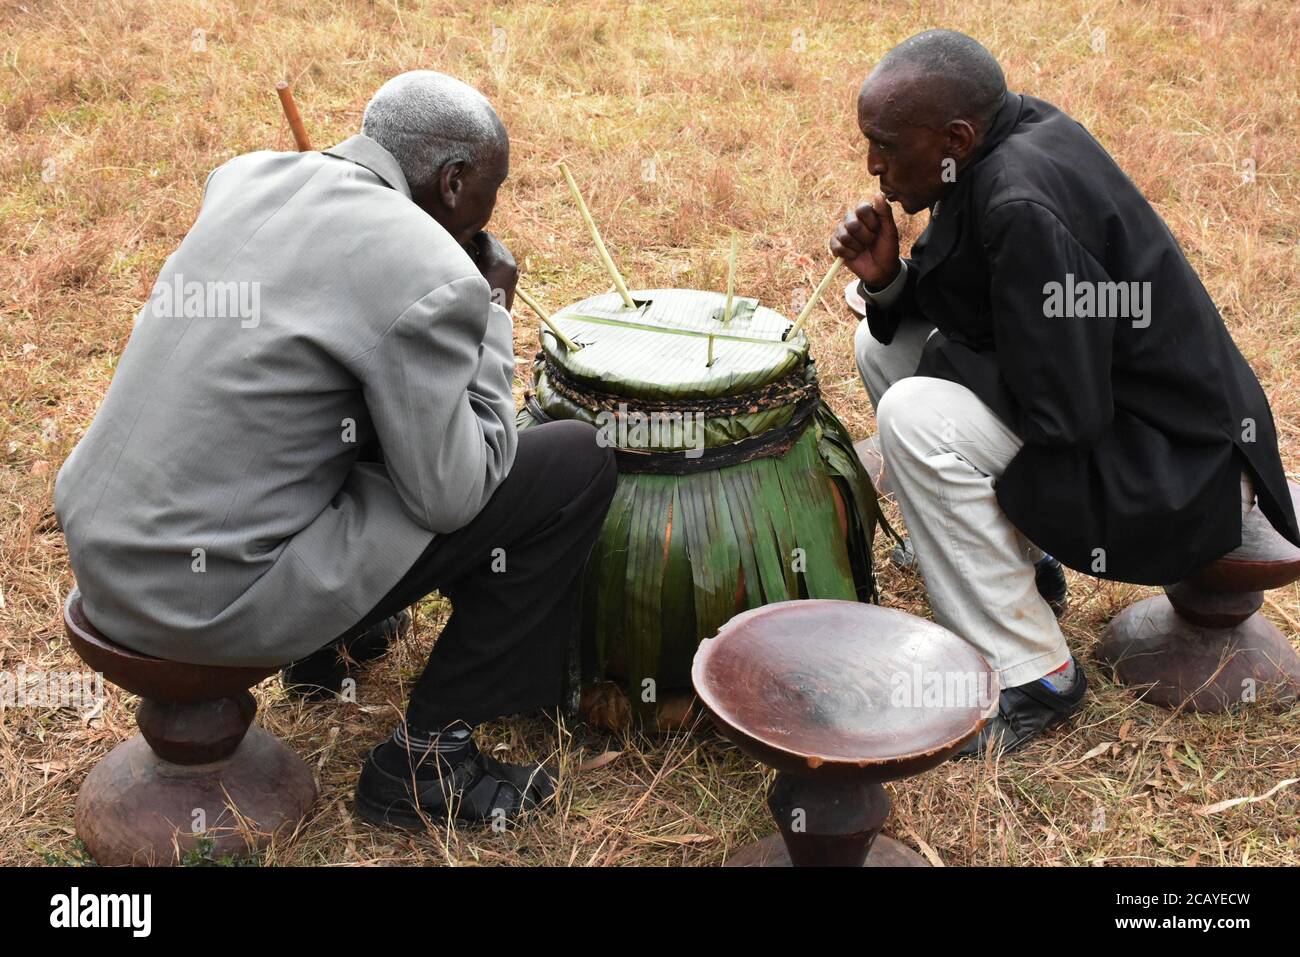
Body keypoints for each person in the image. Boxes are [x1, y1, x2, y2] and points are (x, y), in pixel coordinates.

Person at [54, 70, 617, 827]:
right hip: (205, 601)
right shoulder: (433, 269)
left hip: (103, 553)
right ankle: (429, 762)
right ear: (454, 182)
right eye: (492, 189)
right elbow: (456, 490)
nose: (492, 210)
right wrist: (491, 312)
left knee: (346, 405)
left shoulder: (246, 177)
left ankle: (331, 650)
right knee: (573, 462)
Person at [831, 30, 1299, 755]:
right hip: (1121, 423)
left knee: (915, 416)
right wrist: (889, 280)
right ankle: (1021, 566)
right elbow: (985, 310)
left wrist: (947, 374)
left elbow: (1067, 413)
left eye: (887, 145)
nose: (873, 166)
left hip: (1175, 468)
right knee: (884, 342)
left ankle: (1034, 674)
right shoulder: (1004, 137)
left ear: (957, 136)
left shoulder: (1020, 202)